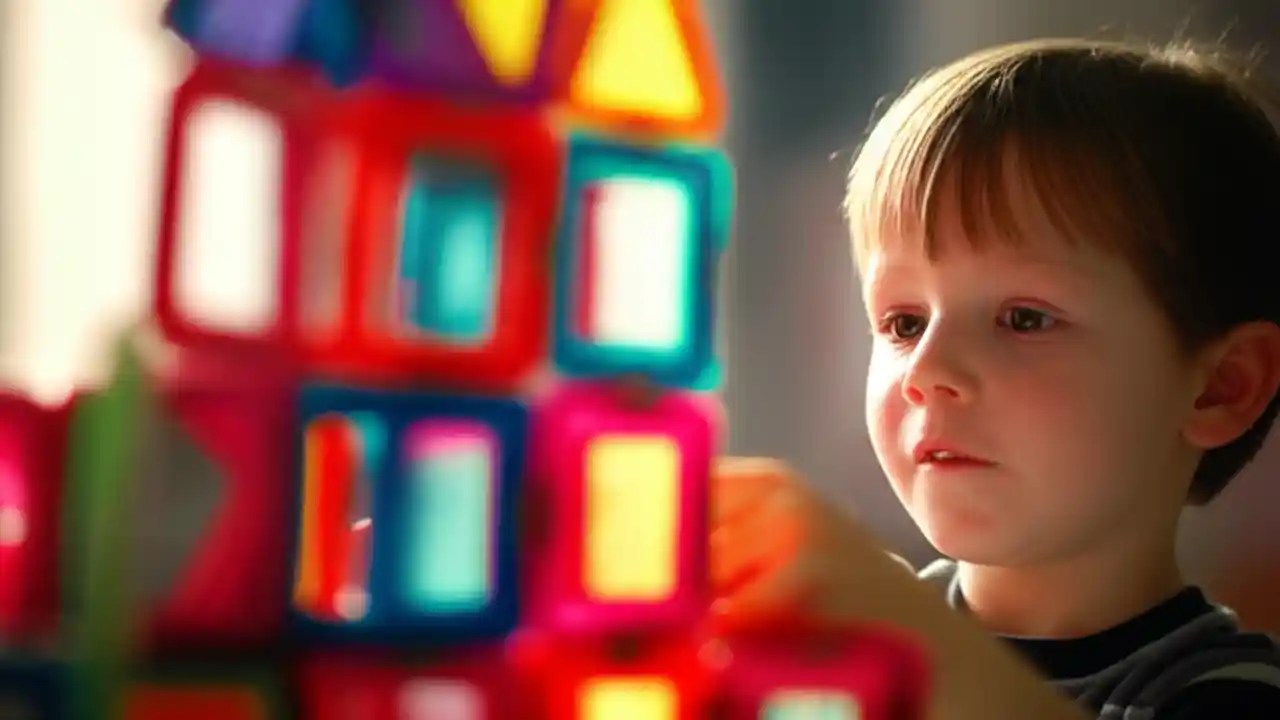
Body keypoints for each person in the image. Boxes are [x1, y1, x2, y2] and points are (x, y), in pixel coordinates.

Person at [712, 37, 1280, 719]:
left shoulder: (1234, 696)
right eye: (903, 323)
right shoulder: (846, 650)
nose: (927, 370)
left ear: (1222, 387)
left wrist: (915, 639)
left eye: (1024, 319)